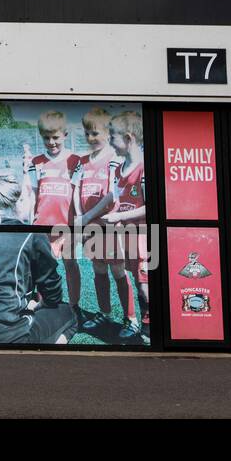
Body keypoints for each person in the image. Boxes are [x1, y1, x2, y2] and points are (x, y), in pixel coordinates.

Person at [74, 107, 124, 333]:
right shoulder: (82, 162)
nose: (90, 138)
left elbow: (112, 195)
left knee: (118, 272)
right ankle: (105, 313)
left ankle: (131, 319)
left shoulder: (115, 159)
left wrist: (86, 217)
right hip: (89, 227)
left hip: (109, 227)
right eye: (87, 133)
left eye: (95, 133)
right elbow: (75, 190)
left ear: (108, 133)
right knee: (98, 270)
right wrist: (79, 217)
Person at [26, 110, 82, 309]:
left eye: (55, 137)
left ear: (65, 134)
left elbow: (77, 195)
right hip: (42, 225)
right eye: (46, 138)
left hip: (66, 225)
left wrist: (78, 222)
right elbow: (33, 193)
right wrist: (31, 220)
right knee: (43, 267)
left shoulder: (76, 161)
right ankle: (44, 304)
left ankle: (74, 307)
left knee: (70, 264)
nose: (51, 142)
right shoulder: (36, 162)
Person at [0, 230, 77, 344]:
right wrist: (38, 306)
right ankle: (41, 359)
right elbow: (53, 296)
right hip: (10, 338)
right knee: (69, 313)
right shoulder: (31, 234)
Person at [104, 111, 148, 341]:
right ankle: (144, 327)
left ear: (129, 138)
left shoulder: (143, 168)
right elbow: (118, 201)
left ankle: (154, 330)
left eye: (113, 136)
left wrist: (121, 216)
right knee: (139, 284)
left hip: (144, 238)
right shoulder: (120, 168)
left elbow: (152, 208)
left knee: (145, 287)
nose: (110, 140)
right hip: (128, 236)